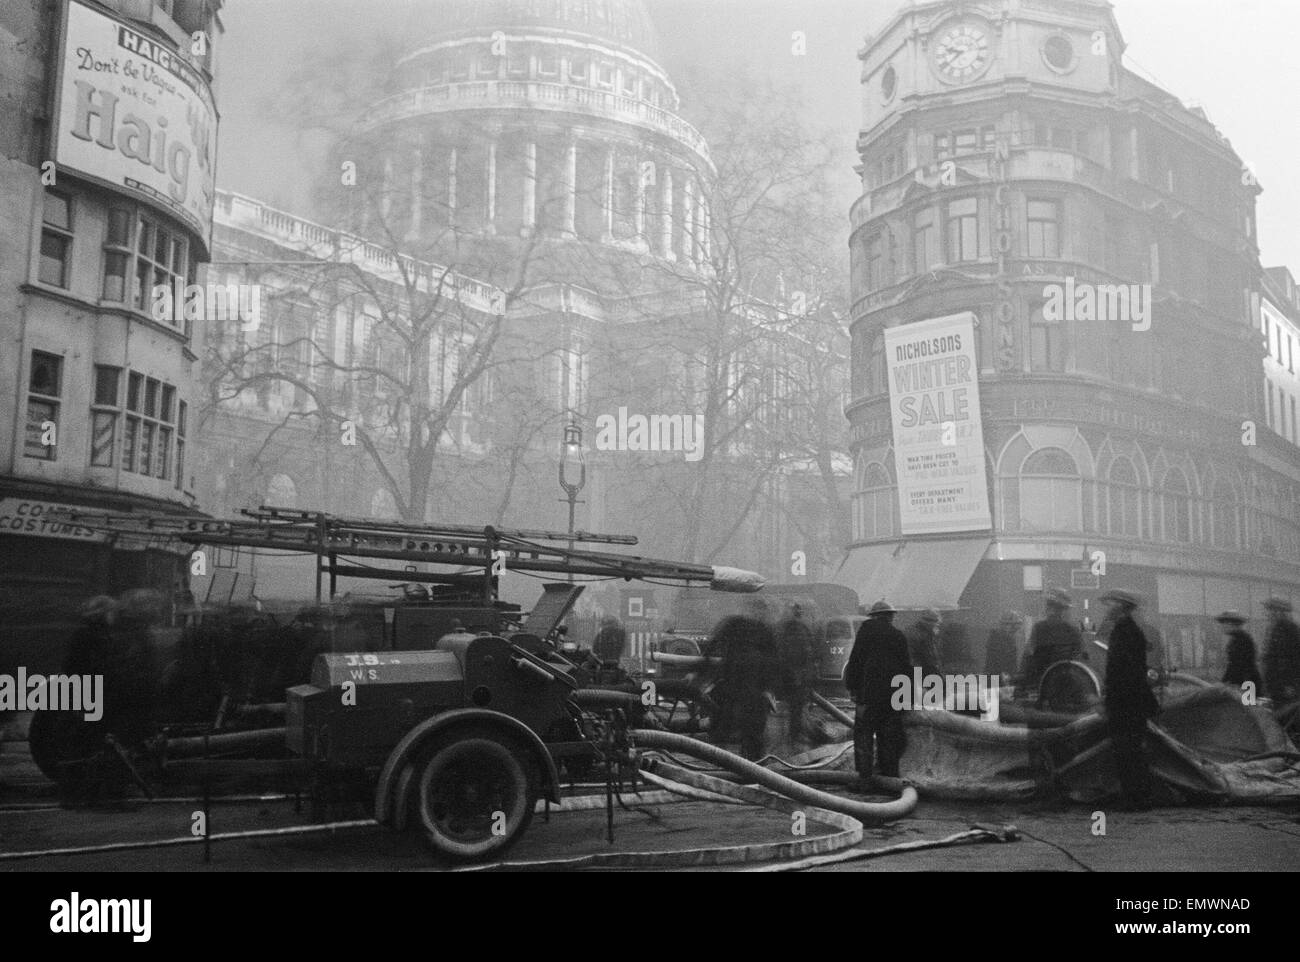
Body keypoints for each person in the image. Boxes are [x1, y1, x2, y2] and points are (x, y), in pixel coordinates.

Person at [1100, 589, 1159, 810]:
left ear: (1121, 606)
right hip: (1130, 700)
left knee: (1128, 749)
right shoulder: (1126, 630)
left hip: (1126, 701)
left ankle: (1135, 797)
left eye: (1110, 604)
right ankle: (1136, 795)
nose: (1107, 608)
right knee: (1130, 749)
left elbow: (1124, 672)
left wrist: (1111, 700)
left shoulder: (1125, 632)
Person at [843, 599, 912, 780]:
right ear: (890, 616)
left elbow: (855, 661)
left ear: (873, 616)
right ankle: (889, 778)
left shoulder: (866, 632)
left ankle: (864, 780)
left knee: (864, 737)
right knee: (888, 738)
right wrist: (906, 698)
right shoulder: (898, 636)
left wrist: (852, 687)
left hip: (868, 696)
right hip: (892, 698)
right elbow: (907, 669)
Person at [705, 599, 779, 760]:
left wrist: (705, 673)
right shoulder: (762, 630)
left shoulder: (734, 625)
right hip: (749, 690)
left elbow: (711, 649)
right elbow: (774, 661)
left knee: (727, 729)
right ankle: (752, 767)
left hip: (738, 688)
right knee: (751, 733)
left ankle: (727, 763)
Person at [1024, 588, 1084, 688]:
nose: (1051, 611)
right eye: (1049, 606)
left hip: (1055, 680)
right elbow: (1030, 653)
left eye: (1056, 608)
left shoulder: (1071, 630)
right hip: (1052, 679)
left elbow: (1030, 653)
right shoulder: (1040, 628)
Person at [776, 604, 817, 744]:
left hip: (798, 672)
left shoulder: (794, 628)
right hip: (795, 673)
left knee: (797, 706)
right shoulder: (795, 629)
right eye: (797, 612)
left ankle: (795, 733)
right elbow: (800, 651)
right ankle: (795, 735)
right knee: (796, 706)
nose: (798, 614)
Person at [1261, 598, 1300, 704]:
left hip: (1284, 685)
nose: (1267, 613)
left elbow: (1294, 659)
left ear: (1279, 612)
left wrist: (1290, 684)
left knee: (1286, 714)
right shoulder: (1274, 629)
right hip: (1274, 683)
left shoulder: (1290, 630)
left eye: (1269, 610)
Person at [1216, 611, 1261, 691]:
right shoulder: (1237, 639)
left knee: (1248, 703)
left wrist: (1227, 682)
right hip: (1245, 681)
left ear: (1231, 624)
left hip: (1246, 683)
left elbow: (1237, 665)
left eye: (1224, 623)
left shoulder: (1242, 640)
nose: (1222, 627)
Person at [984, 611, 1021, 681]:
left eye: (1016, 628)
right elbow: (998, 666)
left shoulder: (1010, 640)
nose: (1015, 630)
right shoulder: (995, 641)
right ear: (1003, 625)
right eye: (1012, 626)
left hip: (1003, 682)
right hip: (994, 682)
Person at [906, 609, 942, 680]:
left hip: (916, 668)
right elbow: (930, 656)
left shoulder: (914, 631)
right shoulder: (924, 634)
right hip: (921, 669)